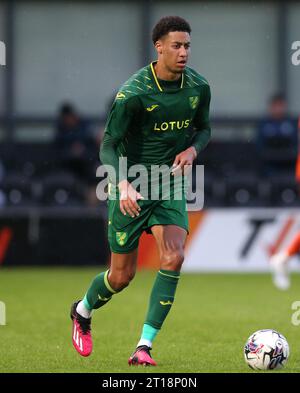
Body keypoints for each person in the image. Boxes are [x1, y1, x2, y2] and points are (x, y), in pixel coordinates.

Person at [70, 16, 211, 366]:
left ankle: (144, 346)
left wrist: (193, 149)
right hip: (130, 185)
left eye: (187, 46)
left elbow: (204, 129)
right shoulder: (133, 94)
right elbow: (108, 144)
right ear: (159, 47)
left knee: (174, 256)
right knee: (121, 277)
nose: (183, 53)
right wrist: (120, 183)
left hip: (169, 183)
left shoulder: (198, 87)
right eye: (176, 46)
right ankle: (82, 311)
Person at [256, 94, 297, 177]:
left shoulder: (291, 123)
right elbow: (259, 145)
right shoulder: (264, 124)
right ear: (271, 107)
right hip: (269, 166)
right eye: (275, 106)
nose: (278, 109)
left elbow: (295, 143)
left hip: (289, 165)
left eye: (280, 106)